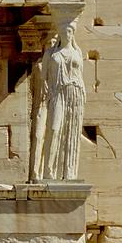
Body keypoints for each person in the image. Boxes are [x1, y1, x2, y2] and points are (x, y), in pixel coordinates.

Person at [38, 18, 85, 180]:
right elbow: (43, 77)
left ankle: (68, 172)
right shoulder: (50, 54)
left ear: (73, 34)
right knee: (54, 128)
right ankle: (49, 171)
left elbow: (80, 76)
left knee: (70, 131)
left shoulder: (77, 53)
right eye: (64, 31)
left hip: (75, 94)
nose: (67, 34)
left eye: (70, 31)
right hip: (57, 94)